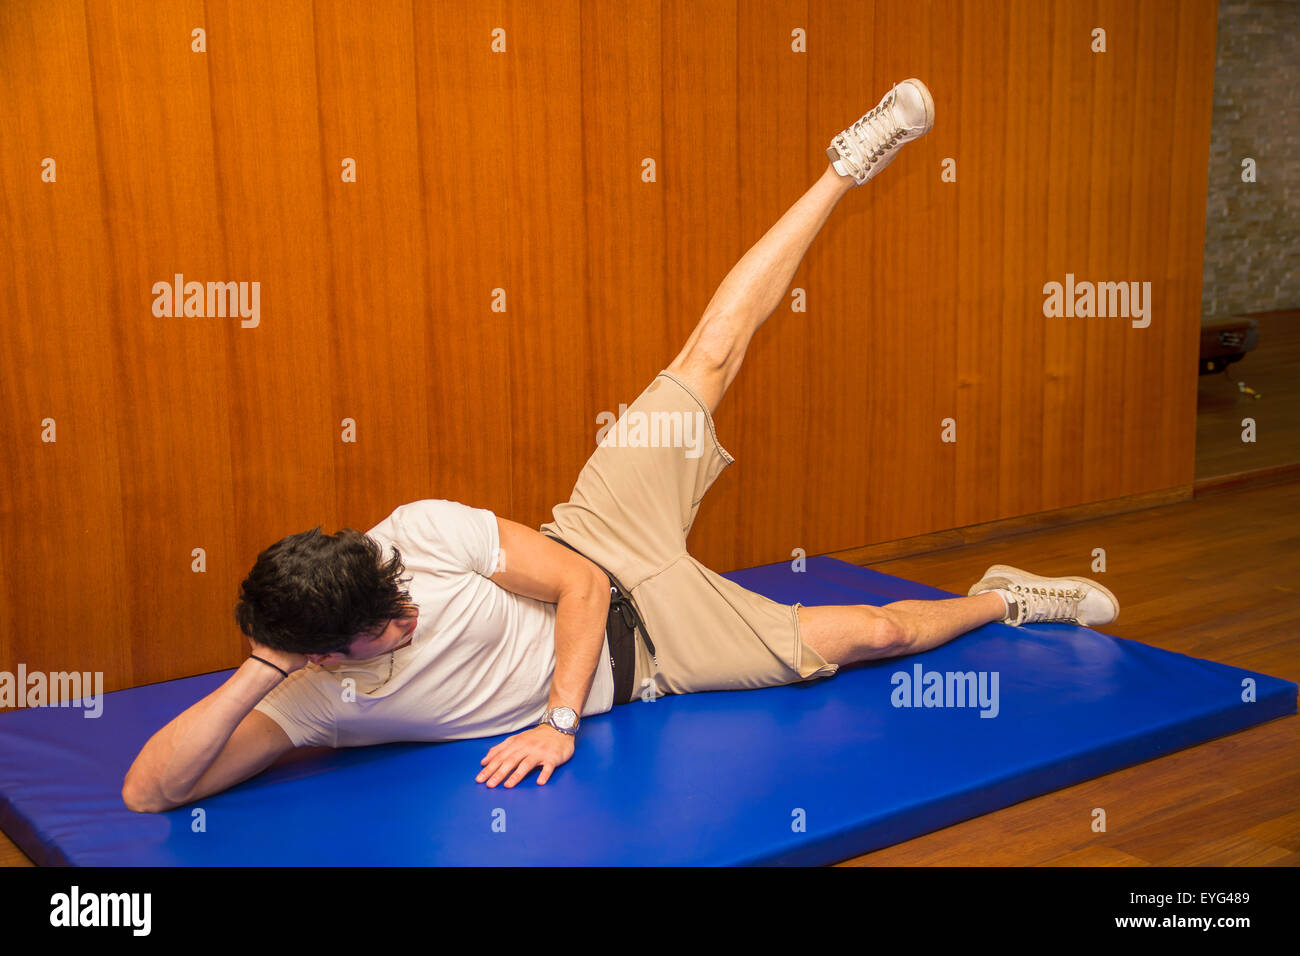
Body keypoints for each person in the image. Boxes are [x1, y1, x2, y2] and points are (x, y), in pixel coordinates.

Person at [122, 78, 1118, 812]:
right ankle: (1008, 594)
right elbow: (146, 792)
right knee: (874, 635)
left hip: (600, 542)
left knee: (709, 353)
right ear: (332, 649)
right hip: (660, 658)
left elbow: (581, 586)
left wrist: (556, 719)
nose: (407, 601)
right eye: (388, 620)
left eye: (391, 586)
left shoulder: (415, 533)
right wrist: (262, 668)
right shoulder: (317, 694)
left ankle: (842, 165)